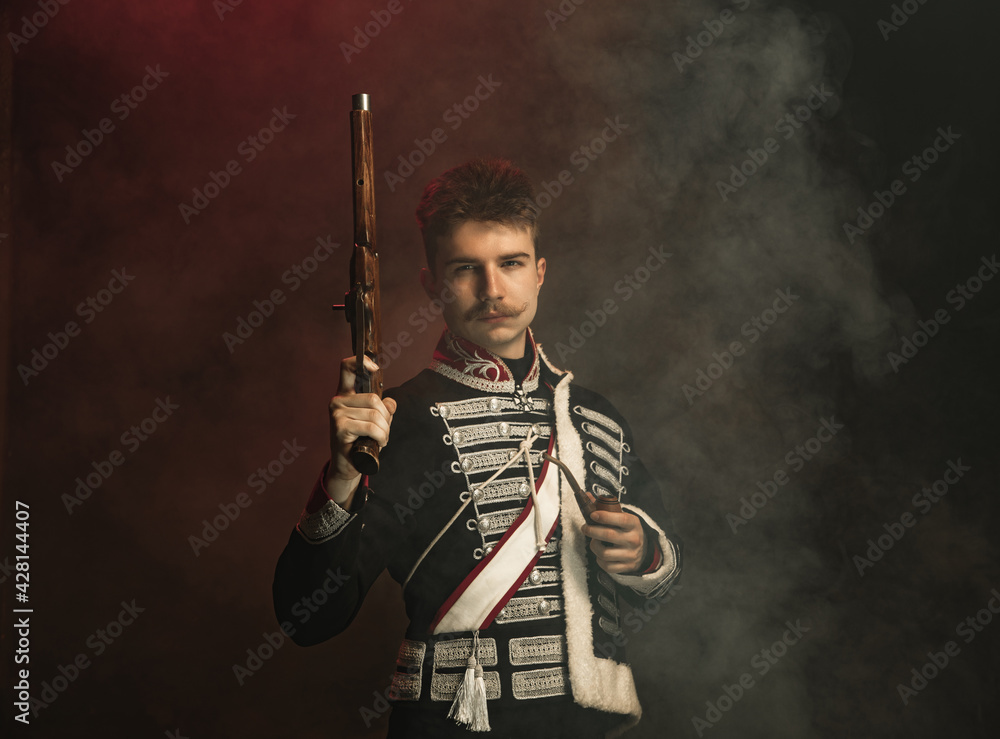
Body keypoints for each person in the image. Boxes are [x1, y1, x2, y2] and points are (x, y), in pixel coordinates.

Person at [273, 158, 682, 738]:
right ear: (432, 283)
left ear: (539, 272)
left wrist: (643, 554)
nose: (493, 290)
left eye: (510, 263)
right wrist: (341, 475)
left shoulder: (596, 416)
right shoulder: (397, 421)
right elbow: (307, 618)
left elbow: (668, 586)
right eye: (467, 268)